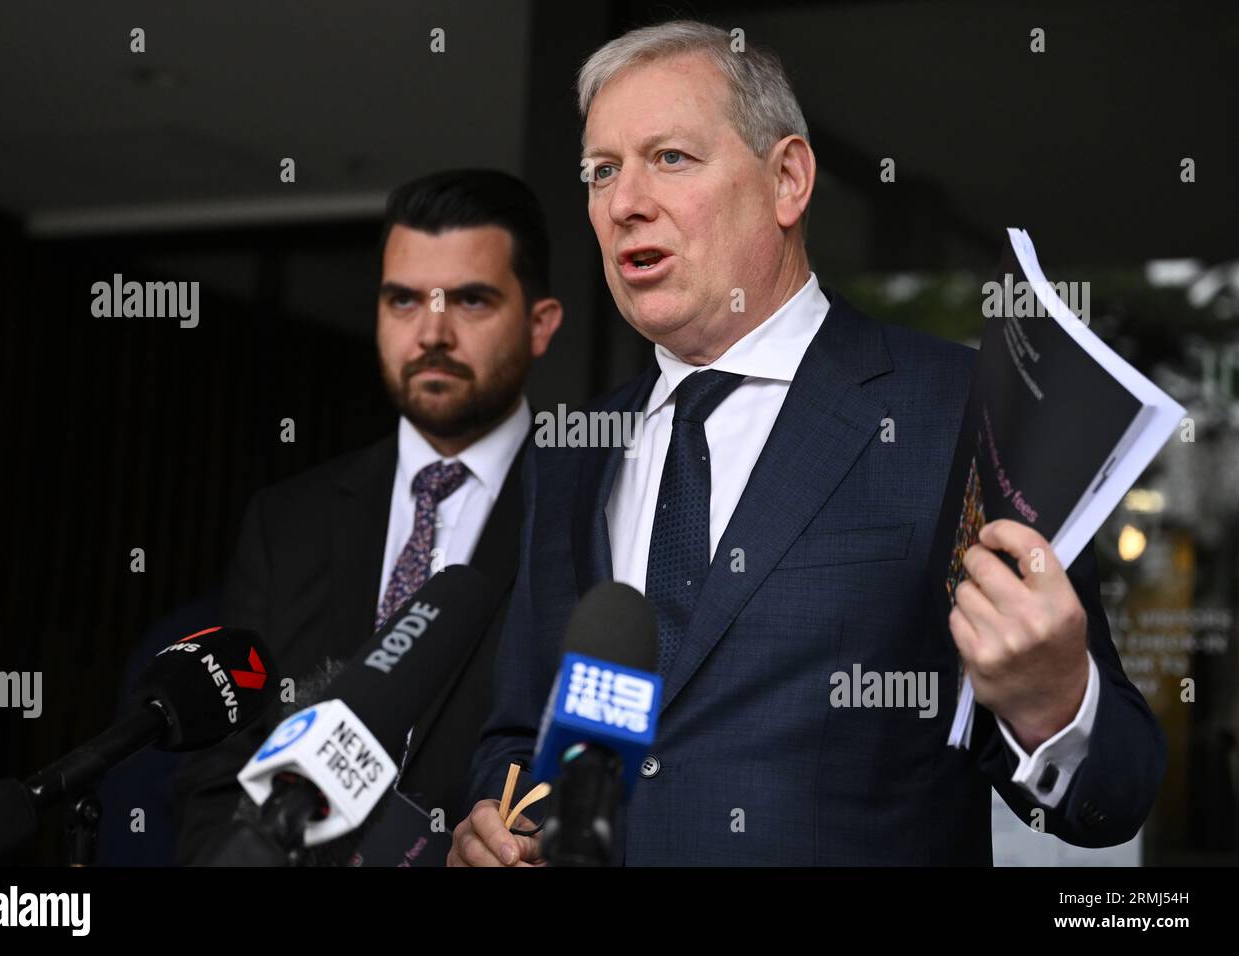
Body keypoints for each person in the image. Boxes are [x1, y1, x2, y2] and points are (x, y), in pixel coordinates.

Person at [449, 21, 1164, 866]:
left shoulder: (952, 412)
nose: (623, 201)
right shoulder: (571, 453)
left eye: (670, 158)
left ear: (787, 179)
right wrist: (493, 820)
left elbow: (1114, 793)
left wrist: (1054, 704)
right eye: (601, 171)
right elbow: (520, 733)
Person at [173, 169, 563, 864]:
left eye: (470, 301)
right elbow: (218, 773)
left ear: (540, 326)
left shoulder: (591, 514)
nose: (432, 332)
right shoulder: (287, 520)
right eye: (404, 300)